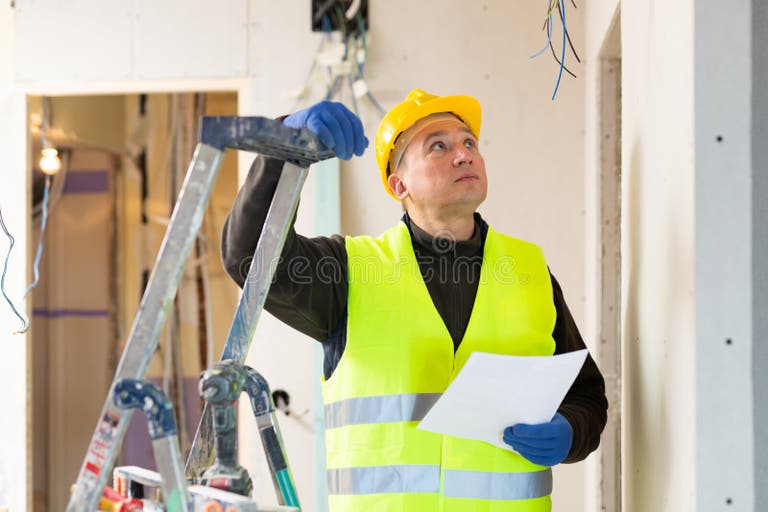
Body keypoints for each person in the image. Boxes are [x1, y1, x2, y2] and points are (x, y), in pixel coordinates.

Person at [221, 89, 607, 512]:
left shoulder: (529, 273)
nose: (463, 155)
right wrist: (284, 145)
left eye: (469, 143)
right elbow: (250, 258)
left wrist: (572, 429)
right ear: (399, 184)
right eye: (438, 146)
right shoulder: (348, 272)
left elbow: (585, 394)